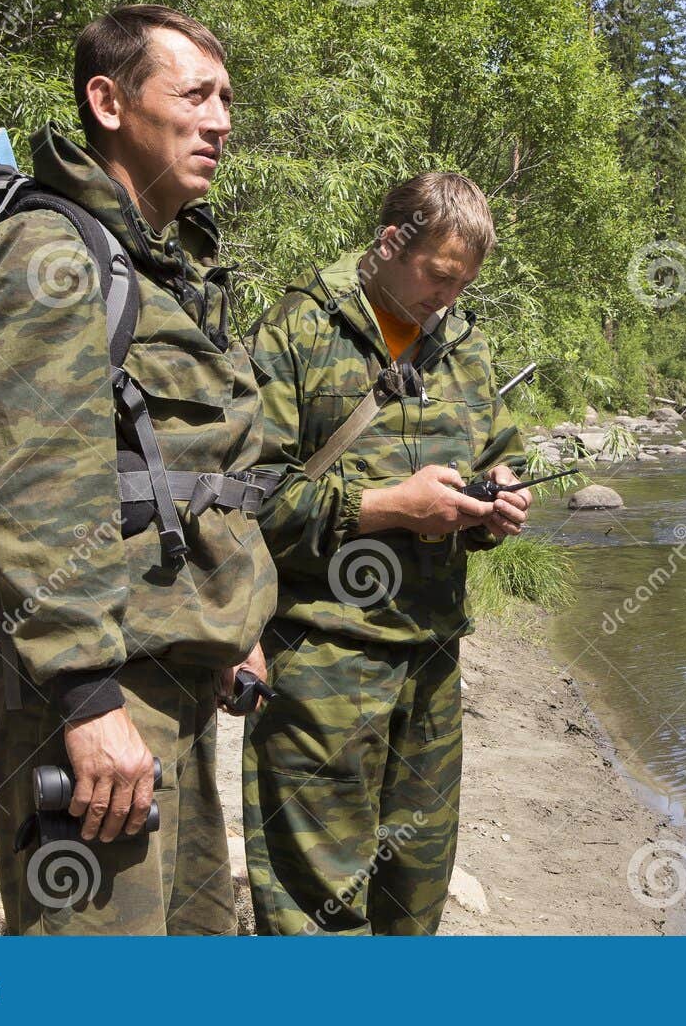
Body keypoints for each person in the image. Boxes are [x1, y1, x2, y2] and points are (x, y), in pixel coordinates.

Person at [0, 5, 276, 934]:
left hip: (174, 685)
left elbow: (187, 474)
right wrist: (87, 696)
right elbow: (32, 483)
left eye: (226, 98)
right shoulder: (54, 254)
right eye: (194, 95)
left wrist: (235, 622)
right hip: (97, 696)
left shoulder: (163, 268)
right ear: (108, 101)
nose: (220, 119)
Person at [241, 172, 528, 934]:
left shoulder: (462, 345)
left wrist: (498, 499)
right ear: (391, 242)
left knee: (414, 901)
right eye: (438, 277)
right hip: (322, 662)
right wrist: (390, 507)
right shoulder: (299, 330)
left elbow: (500, 448)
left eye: (463, 285)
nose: (448, 299)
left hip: (431, 664)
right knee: (317, 910)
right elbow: (246, 500)